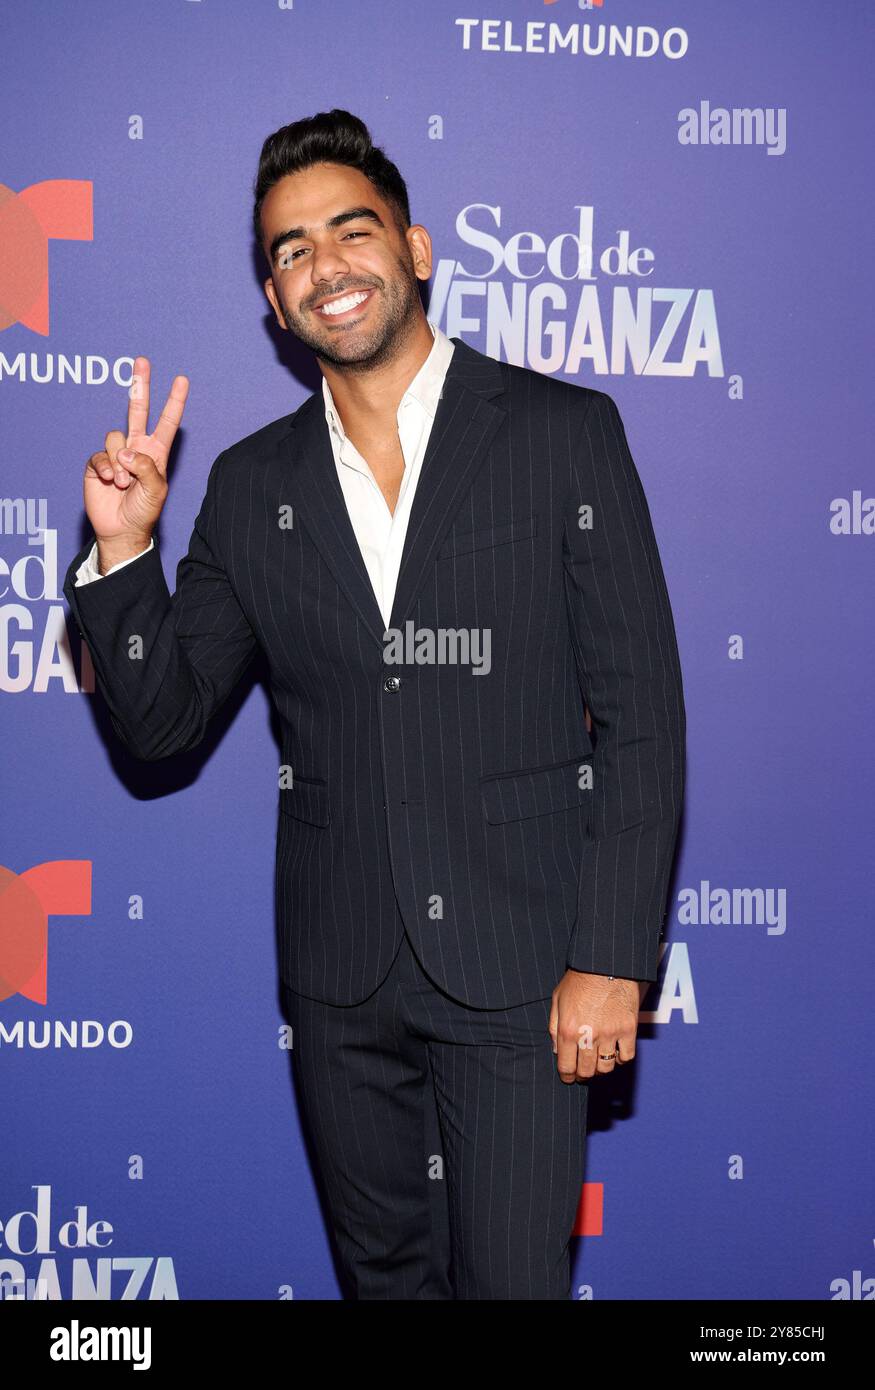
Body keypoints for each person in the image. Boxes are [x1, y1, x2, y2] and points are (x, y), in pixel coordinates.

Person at [63, 108, 686, 1300]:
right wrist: (125, 554)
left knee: (511, 1283)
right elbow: (163, 727)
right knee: (383, 1282)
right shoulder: (250, 487)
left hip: (522, 961)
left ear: (416, 249)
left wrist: (611, 957)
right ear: (273, 297)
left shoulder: (560, 433)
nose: (323, 265)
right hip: (339, 977)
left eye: (350, 231)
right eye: (290, 249)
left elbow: (642, 714)